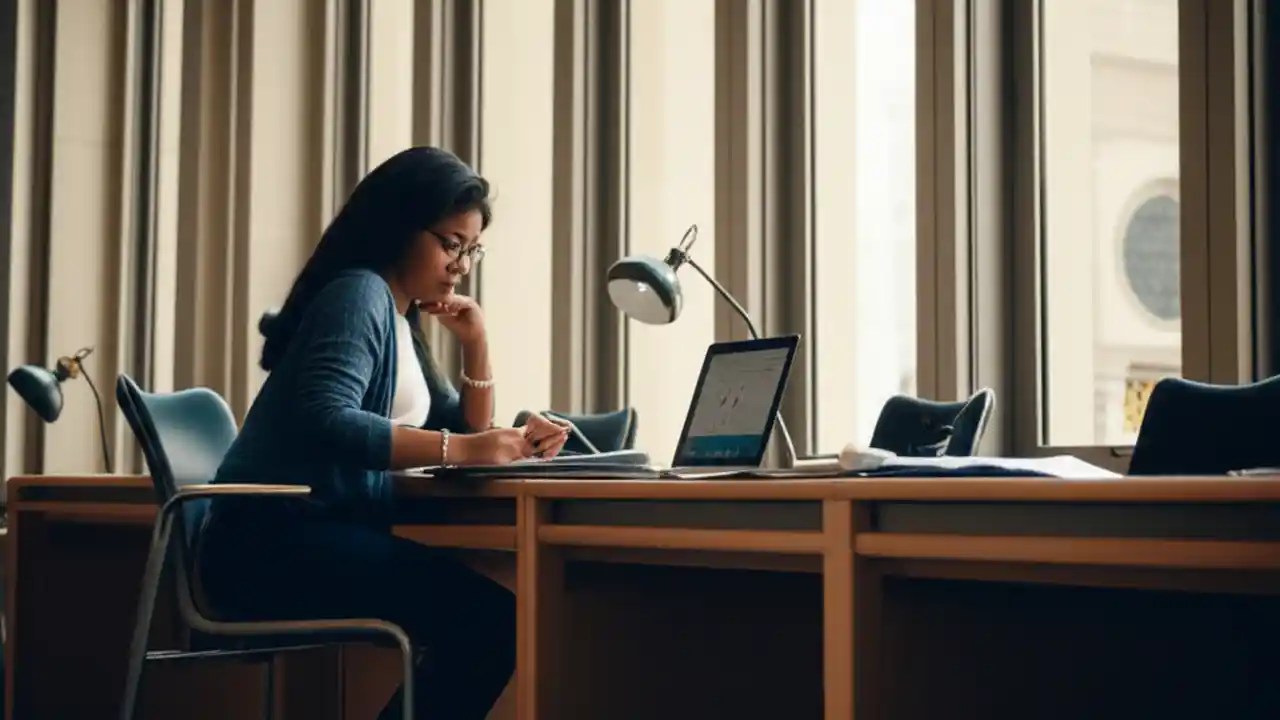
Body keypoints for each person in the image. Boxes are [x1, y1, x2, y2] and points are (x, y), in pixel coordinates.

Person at [197, 146, 568, 719]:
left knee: (485, 622)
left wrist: (476, 342)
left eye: (472, 250)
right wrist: (468, 449)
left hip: (304, 537)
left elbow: (460, 422)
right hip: (268, 544)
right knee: (488, 623)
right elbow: (327, 419)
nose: (461, 266)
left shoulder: (397, 315)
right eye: (451, 244)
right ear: (400, 226)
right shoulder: (359, 293)